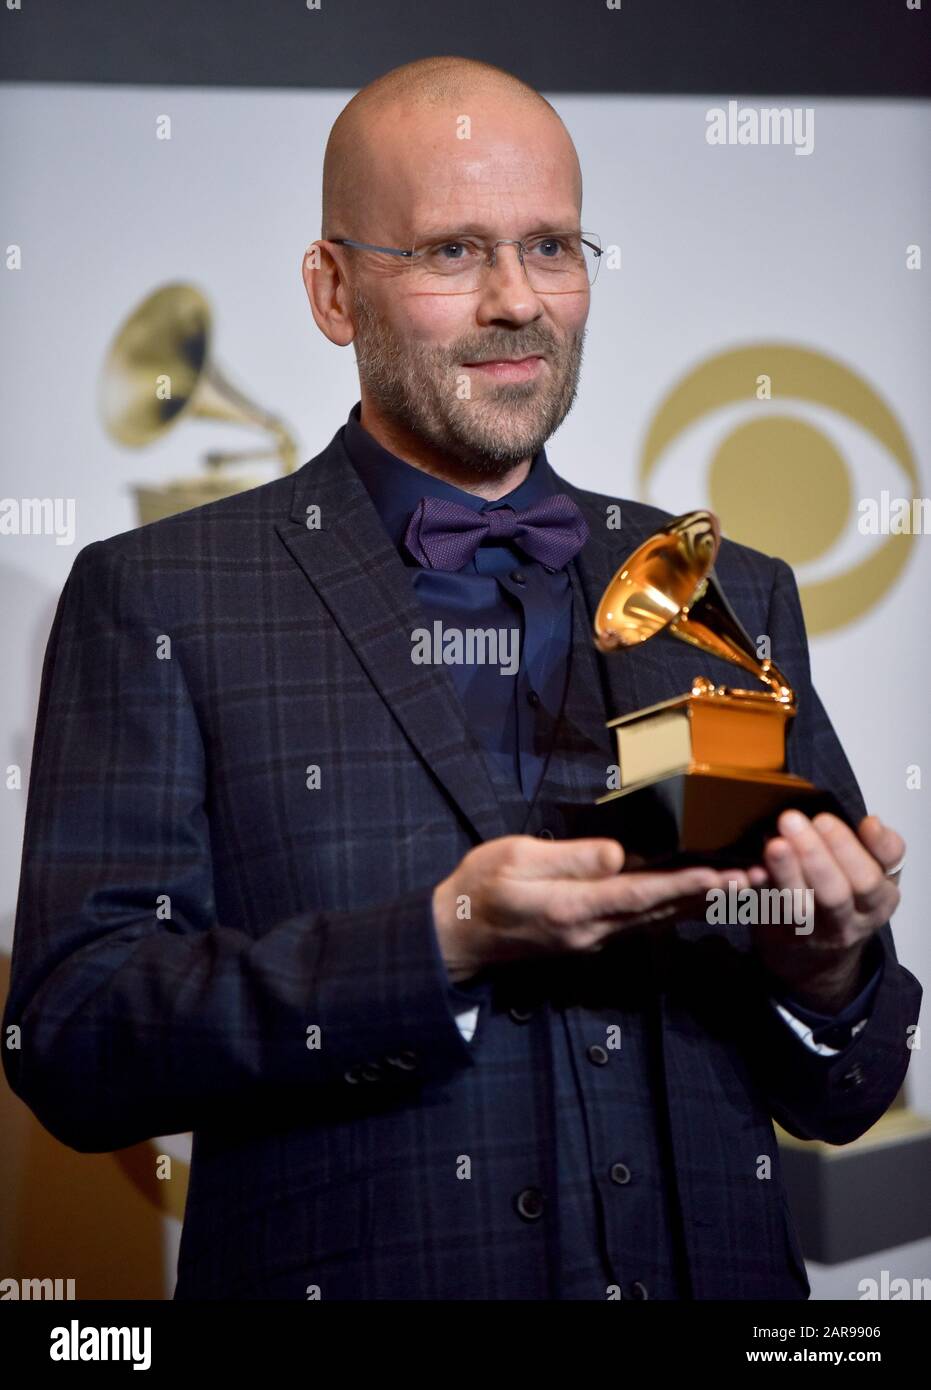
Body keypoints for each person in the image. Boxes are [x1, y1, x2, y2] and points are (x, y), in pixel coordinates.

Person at [3, 56, 920, 1301]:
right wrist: (439, 943)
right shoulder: (160, 594)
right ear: (334, 290)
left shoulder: (730, 589)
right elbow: (71, 1036)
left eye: (551, 246)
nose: (516, 300)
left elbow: (849, 1086)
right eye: (450, 252)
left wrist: (822, 968)